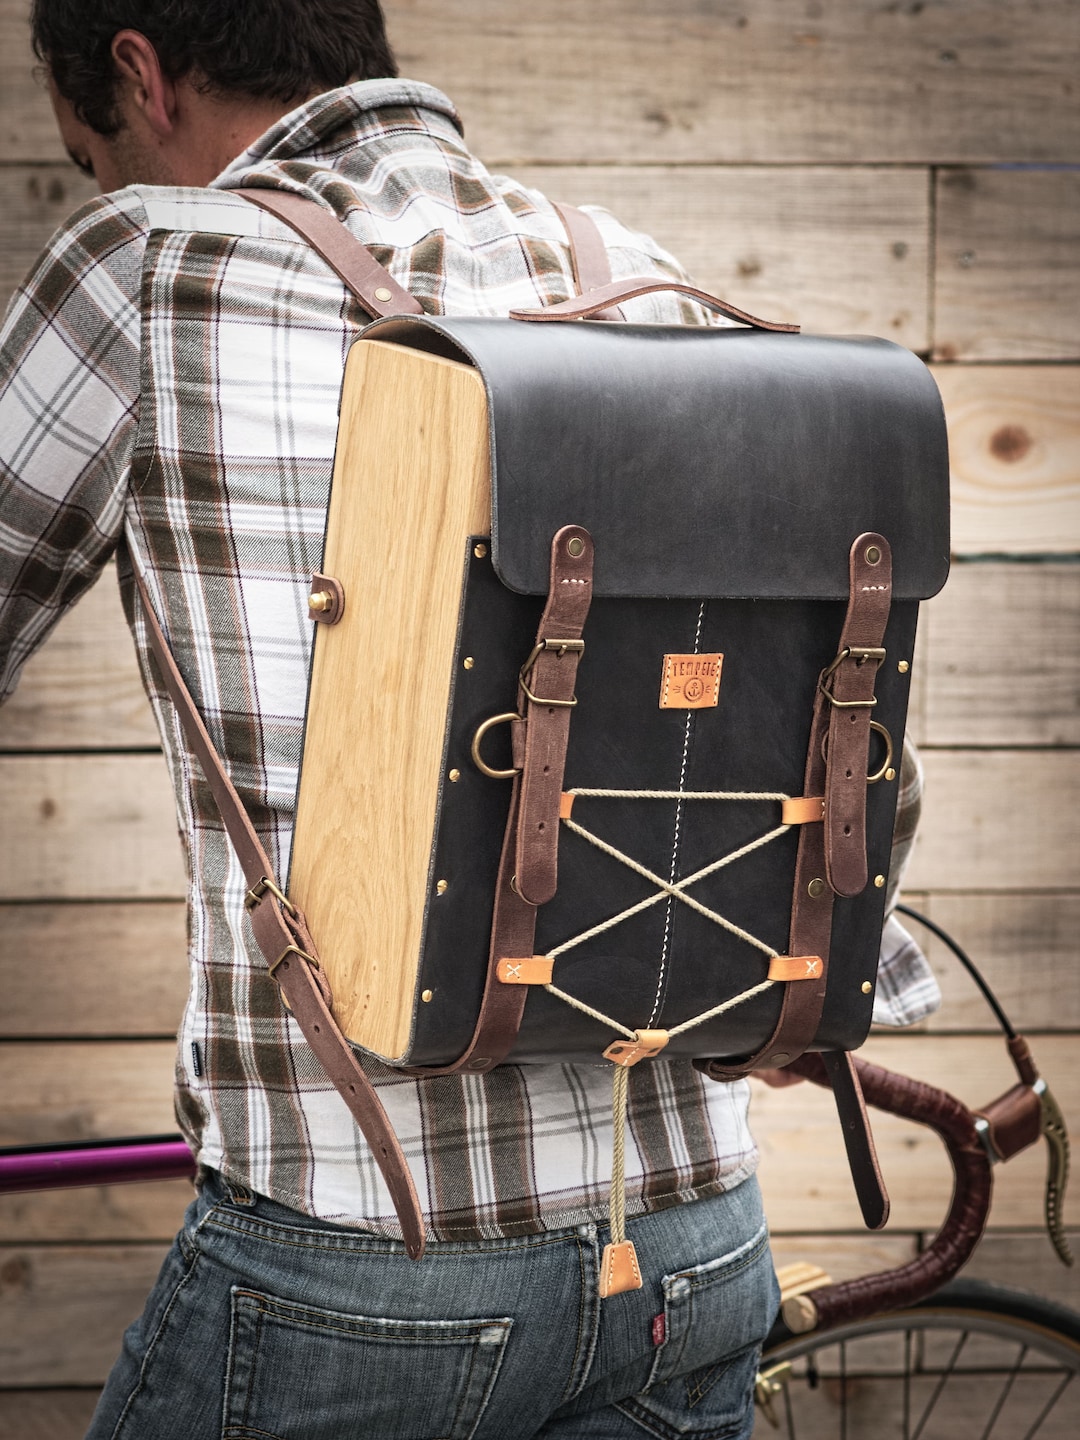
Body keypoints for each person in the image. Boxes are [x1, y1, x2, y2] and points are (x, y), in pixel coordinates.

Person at [0, 4, 939, 1435]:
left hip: (361, 1250)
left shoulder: (148, 261)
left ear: (137, 70)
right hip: (690, 1239)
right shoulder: (639, 278)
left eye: (92, 149)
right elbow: (869, 768)